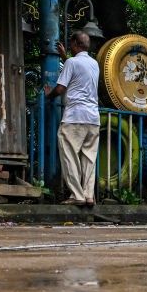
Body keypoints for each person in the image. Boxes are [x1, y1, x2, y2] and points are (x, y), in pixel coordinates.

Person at [45, 31, 100, 206]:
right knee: (89, 158)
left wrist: (49, 95)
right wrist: (65, 57)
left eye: (71, 43)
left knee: (69, 154)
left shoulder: (71, 62)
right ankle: (89, 195)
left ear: (75, 44)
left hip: (75, 116)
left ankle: (77, 195)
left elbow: (60, 89)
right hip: (93, 118)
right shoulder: (94, 64)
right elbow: (79, 71)